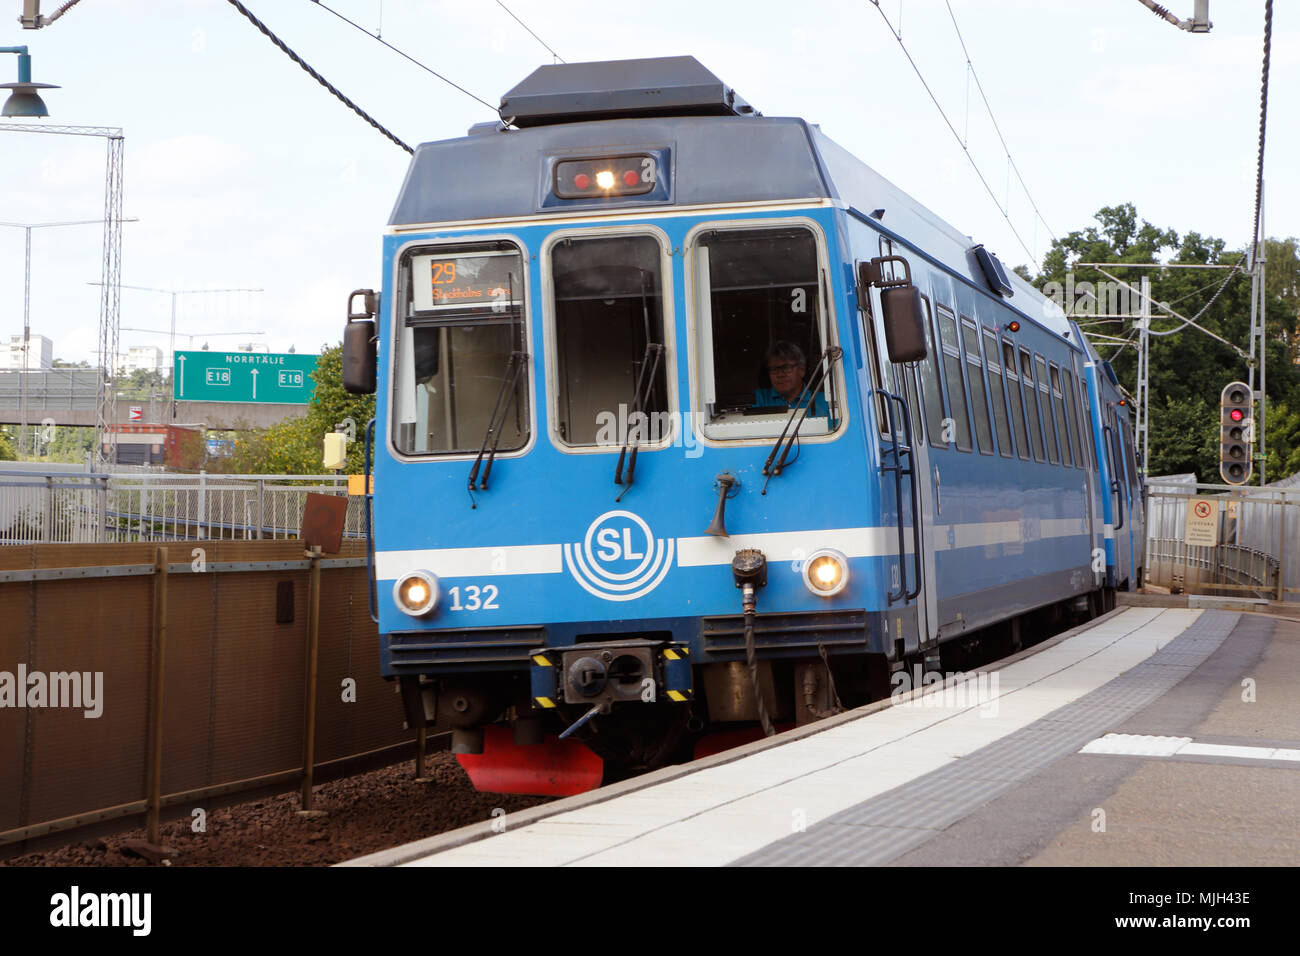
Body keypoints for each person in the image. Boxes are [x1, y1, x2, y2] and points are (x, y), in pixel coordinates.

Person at [753, 341, 828, 416]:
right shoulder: (759, 399)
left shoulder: (825, 401)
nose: (780, 374)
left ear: (801, 370)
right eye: (774, 369)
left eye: (786, 368)